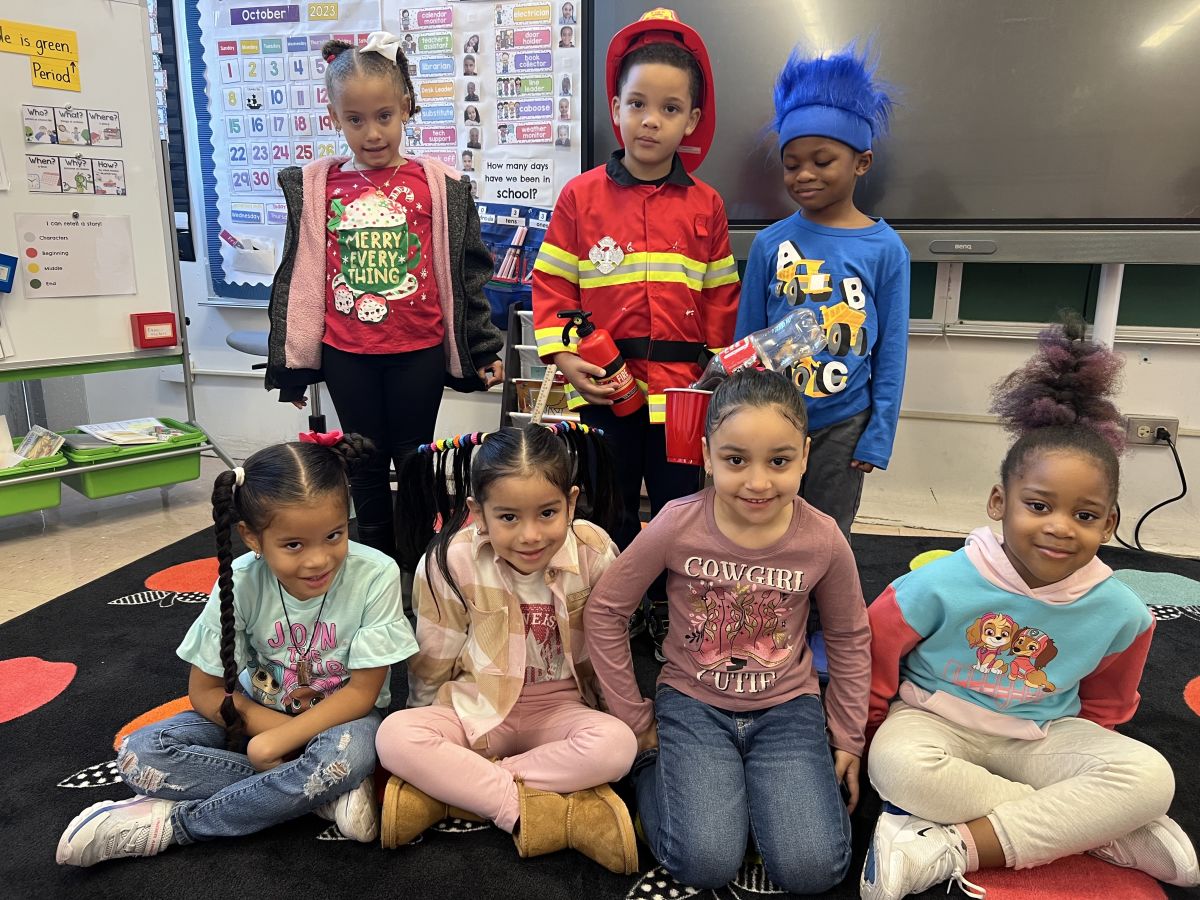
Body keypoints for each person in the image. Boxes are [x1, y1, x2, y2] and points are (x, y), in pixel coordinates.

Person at [860, 319, 1200, 899]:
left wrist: (1088, 761)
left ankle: (950, 847)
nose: (1060, 528)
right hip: (935, 725)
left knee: (1151, 778)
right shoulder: (941, 583)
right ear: (1000, 502)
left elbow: (1108, 704)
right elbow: (873, 654)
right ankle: (1097, 834)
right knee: (895, 766)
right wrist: (864, 731)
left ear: (1110, 524)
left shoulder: (1122, 611)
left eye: (1086, 516)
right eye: (1039, 505)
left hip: (1043, 734)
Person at [56, 435, 419, 866]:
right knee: (141, 753)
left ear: (347, 517)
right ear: (251, 537)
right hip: (252, 712)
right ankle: (318, 792)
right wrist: (271, 735)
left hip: (342, 720)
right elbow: (207, 693)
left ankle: (178, 825)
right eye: (293, 545)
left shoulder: (376, 573)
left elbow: (362, 693)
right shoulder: (241, 580)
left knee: (351, 755)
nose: (319, 560)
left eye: (334, 535)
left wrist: (279, 742)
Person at [585, 369, 870, 892]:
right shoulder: (677, 523)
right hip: (693, 704)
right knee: (703, 862)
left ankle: (745, 798)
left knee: (815, 870)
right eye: (736, 460)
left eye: (779, 461)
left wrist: (849, 736)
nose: (758, 482)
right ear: (707, 454)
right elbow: (605, 611)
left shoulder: (823, 539)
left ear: (804, 456)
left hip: (787, 709)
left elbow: (850, 635)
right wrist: (633, 719)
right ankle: (654, 771)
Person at [532, 9, 738, 659]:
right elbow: (554, 291)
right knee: (604, 509)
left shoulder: (706, 206)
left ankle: (671, 617)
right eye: (637, 103)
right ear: (615, 109)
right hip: (602, 390)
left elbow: (719, 300)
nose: (651, 120)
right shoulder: (579, 199)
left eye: (670, 108)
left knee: (682, 510)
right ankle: (603, 616)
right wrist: (566, 360)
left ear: (691, 120)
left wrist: (715, 384)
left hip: (682, 396)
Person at [264, 32, 504, 563]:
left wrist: (484, 348)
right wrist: (296, 364)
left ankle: (420, 562)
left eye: (384, 116)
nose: (371, 133)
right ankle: (375, 558)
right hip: (348, 353)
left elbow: (468, 273)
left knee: (413, 458)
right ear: (334, 117)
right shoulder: (318, 188)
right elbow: (299, 276)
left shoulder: (437, 185)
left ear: (407, 109)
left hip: (417, 349)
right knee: (364, 461)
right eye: (355, 120)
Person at [378, 423, 639, 874]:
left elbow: (609, 643)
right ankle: (537, 808)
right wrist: (422, 712)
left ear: (571, 503)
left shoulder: (595, 551)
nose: (530, 536)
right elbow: (434, 652)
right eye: (508, 518)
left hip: (558, 710)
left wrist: (619, 712)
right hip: (475, 705)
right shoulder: (450, 559)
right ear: (478, 512)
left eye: (548, 514)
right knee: (394, 735)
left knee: (617, 746)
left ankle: (456, 794)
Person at [734, 46, 909, 540]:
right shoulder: (770, 243)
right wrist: (730, 417)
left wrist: (878, 437)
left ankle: (821, 619)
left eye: (822, 160)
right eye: (791, 164)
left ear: (862, 162)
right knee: (760, 526)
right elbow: (744, 341)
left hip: (844, 424)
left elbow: (891, 352)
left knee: (826, 536)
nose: (804, 174)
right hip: (769, 420)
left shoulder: (886, 250)